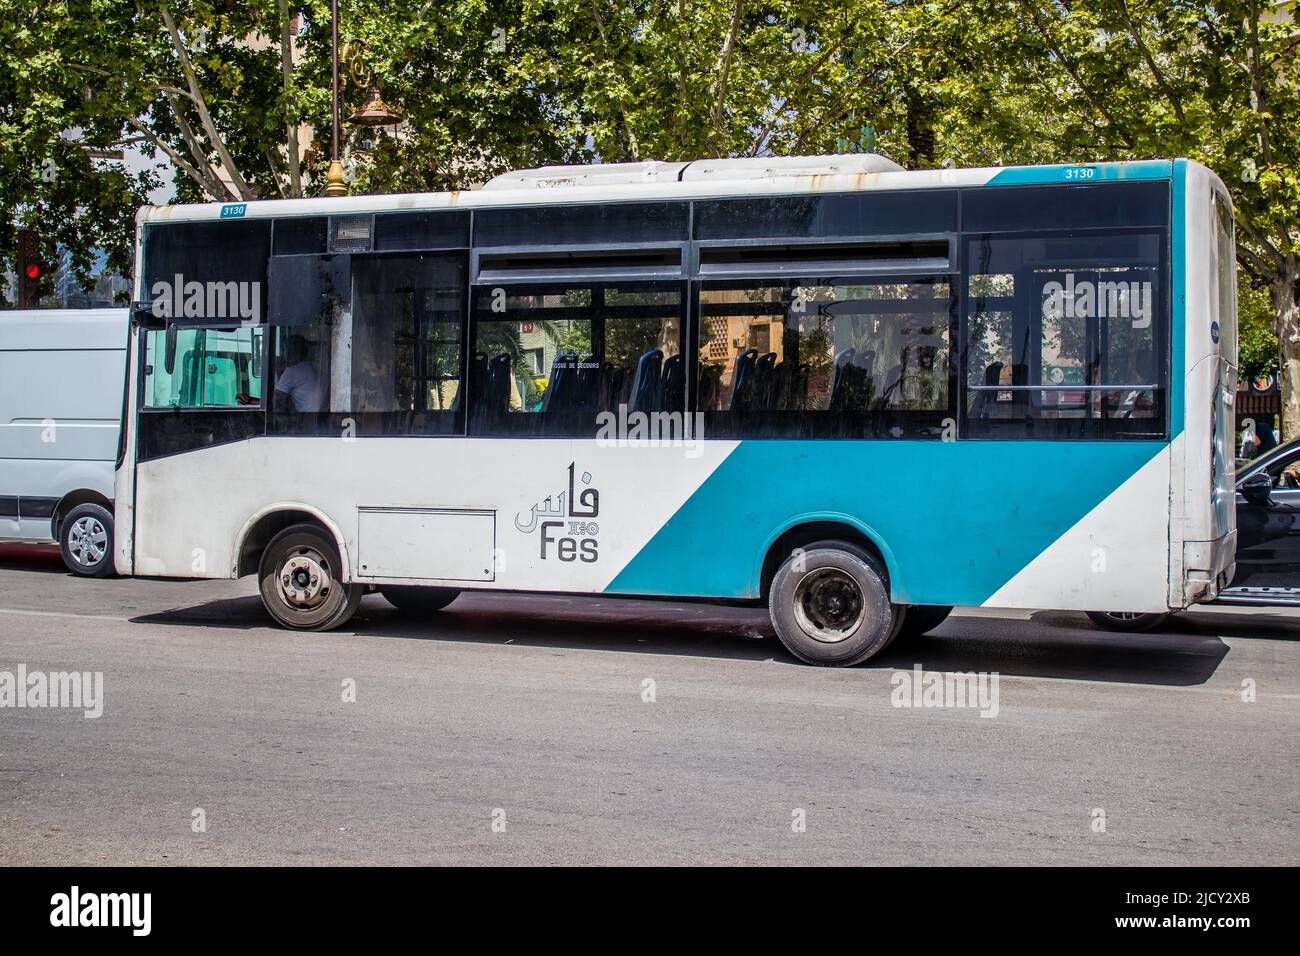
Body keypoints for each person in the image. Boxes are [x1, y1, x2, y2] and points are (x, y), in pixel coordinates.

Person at [274, 334, 323, 413]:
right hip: (316, 415)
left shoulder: (292, 371)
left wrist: (250, 399)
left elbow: (275, 399)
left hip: (306, 417)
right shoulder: (309, 367)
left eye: (285, 351)